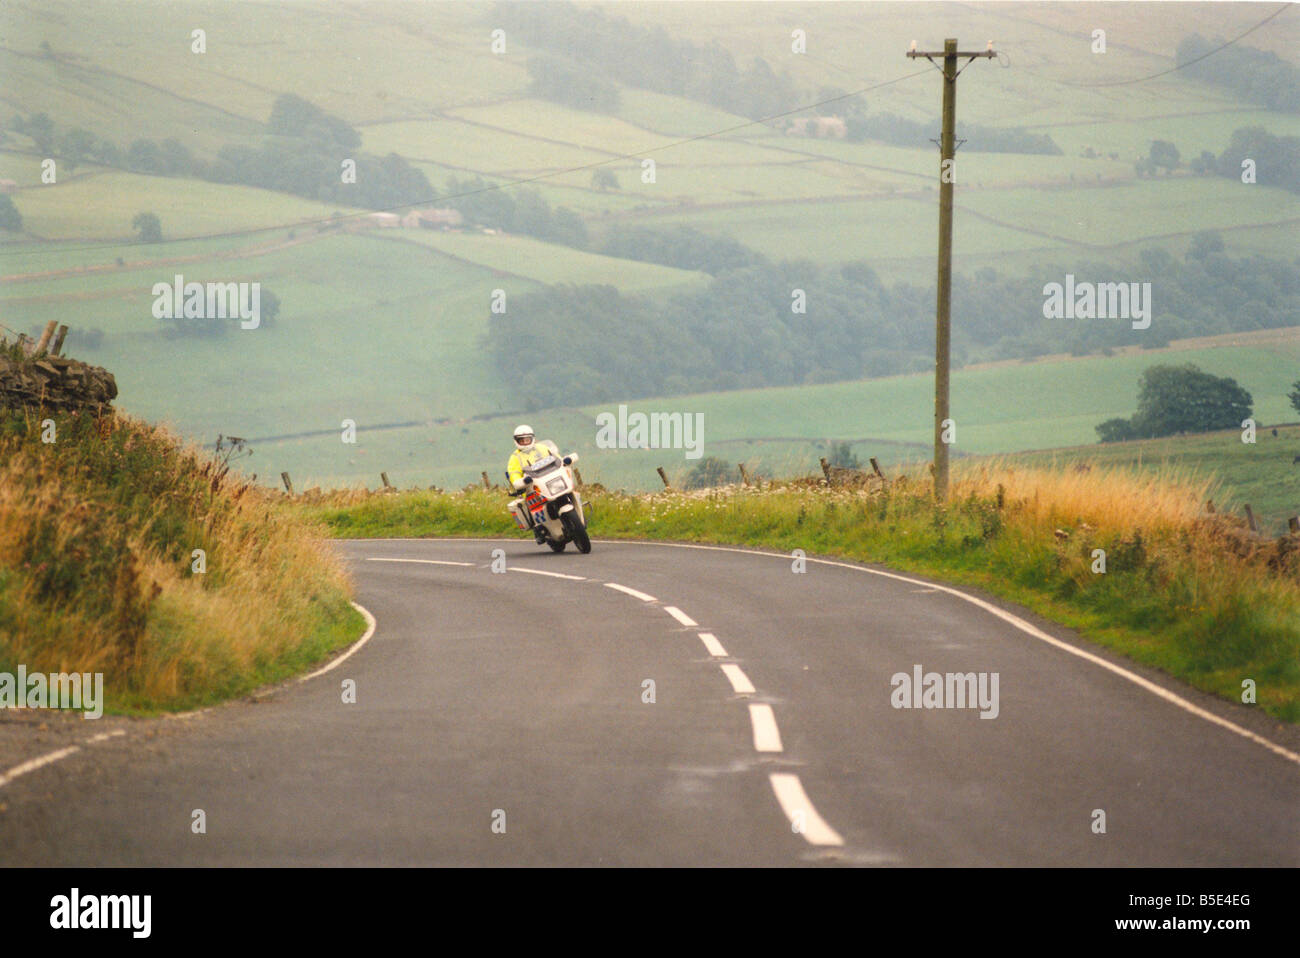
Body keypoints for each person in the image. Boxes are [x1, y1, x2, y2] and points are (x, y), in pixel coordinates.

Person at [506, 425, 558, 539]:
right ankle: (539, 528)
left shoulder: (542, 448)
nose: (525, 442)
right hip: (532, 489)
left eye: (527, 439)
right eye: (522, 440)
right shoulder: (515, 457)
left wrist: (564, 461)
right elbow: (513, 473)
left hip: (550, 481)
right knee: (533, 507)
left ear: (532, 438)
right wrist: (520, 481)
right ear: (516, 441)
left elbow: (556, 458)